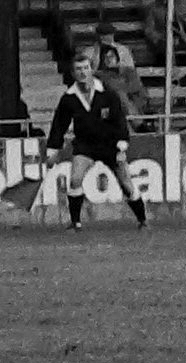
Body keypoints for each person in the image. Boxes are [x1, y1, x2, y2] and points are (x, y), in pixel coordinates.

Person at [45, 52, 149, 230]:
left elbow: (119, 121)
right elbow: (59, 125)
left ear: (91, 70)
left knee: (126, 184)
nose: (83, 72)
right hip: (85, 145)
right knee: (75, 179)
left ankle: (143, 221)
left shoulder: (108, 94)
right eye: (78, 69)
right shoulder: (69, 98)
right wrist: (52, 150)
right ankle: (75, 223)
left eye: (85, 68)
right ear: (73, 73)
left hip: (111, 145)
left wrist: (122, 145)